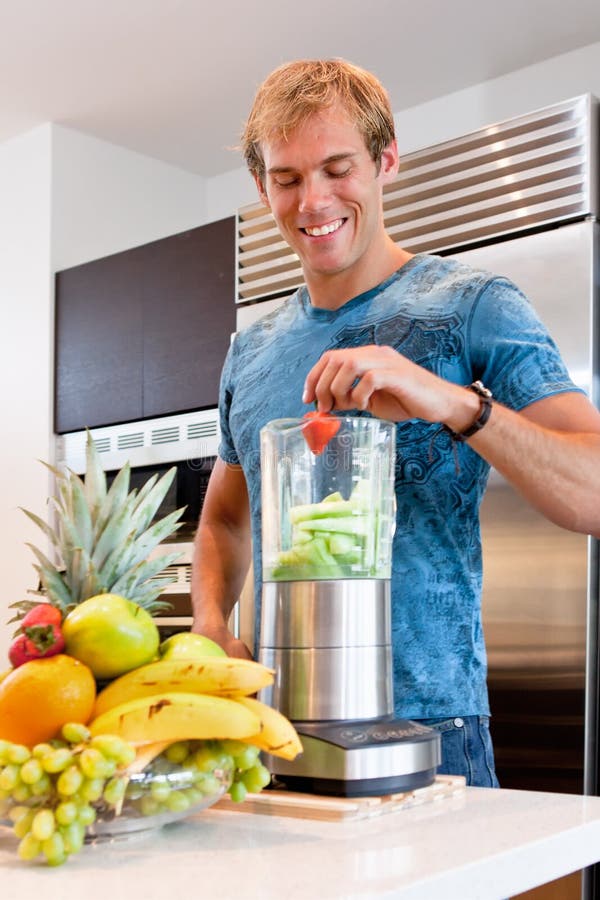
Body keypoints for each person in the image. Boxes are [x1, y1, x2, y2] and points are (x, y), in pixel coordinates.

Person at [191, 58, 600, 786]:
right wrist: (211, 627)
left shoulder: (472, 303)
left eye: (337, 168)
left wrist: (452, 403)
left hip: (432, 729)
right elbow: (225, 521)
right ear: (263, 187)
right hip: (268, 733)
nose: (312, 200)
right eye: (287, 179)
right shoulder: (248, 351)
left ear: (386, 161)